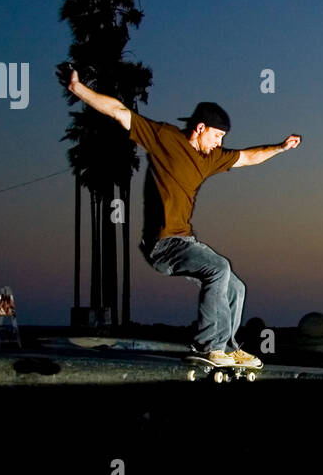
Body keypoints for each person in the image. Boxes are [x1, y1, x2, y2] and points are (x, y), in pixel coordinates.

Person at [66, 68, 300, 366]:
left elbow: (249, 156)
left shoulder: (211, 158)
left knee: (235, 287)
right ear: (200, 128)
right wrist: (78, 89)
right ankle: (206, 345)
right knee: (219, 268)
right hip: (162, 245)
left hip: (185, 242)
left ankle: (226, 348)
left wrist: (280, 147)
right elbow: (119, 111)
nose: (219, 143)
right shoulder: (165, 138)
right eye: (216, 136)